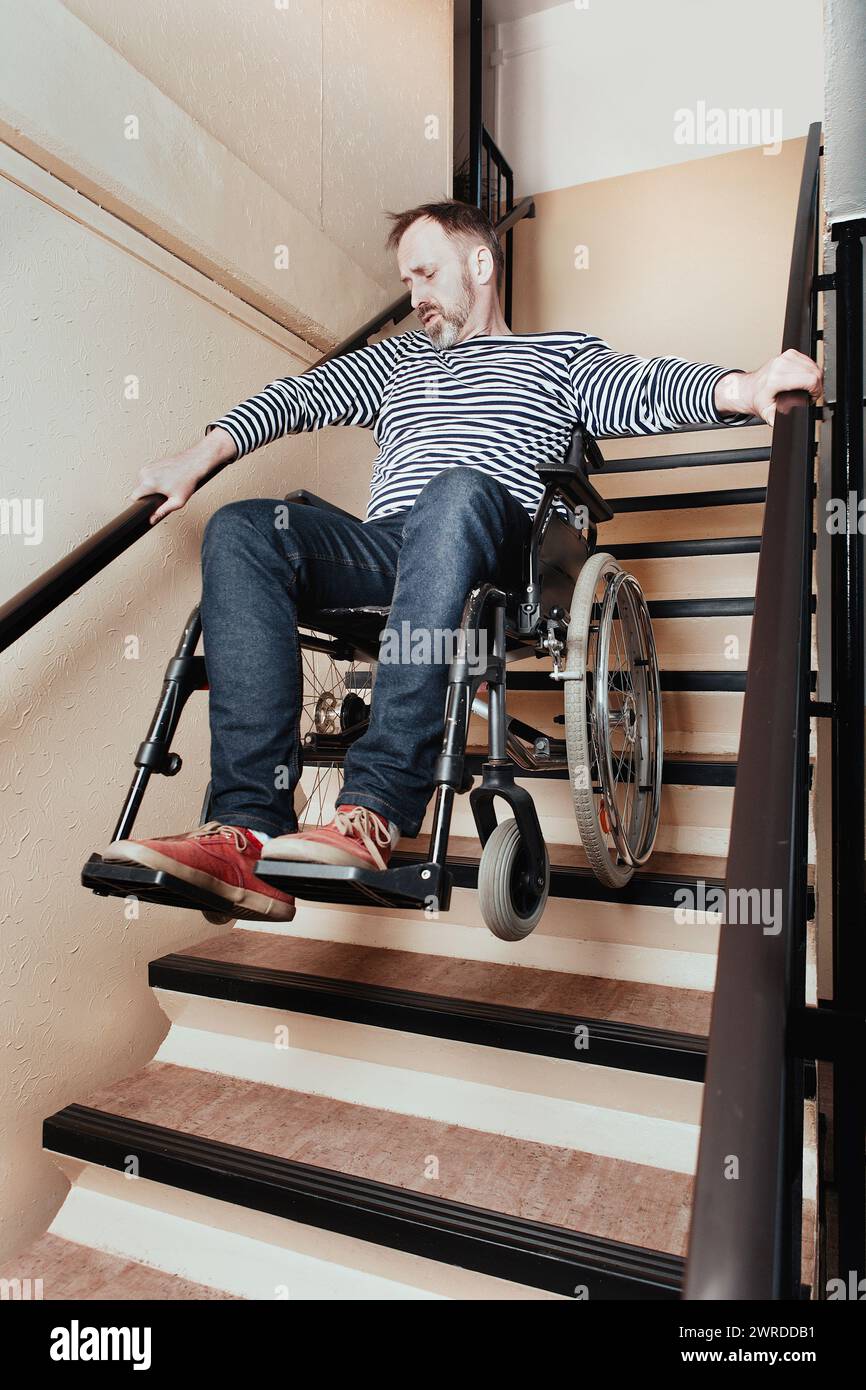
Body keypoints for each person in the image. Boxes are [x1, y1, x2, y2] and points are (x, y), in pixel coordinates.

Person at [103, 199, 823, 923]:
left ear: (480, 263)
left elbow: (644, 387)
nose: (413, 295)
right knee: (243, 529)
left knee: (454, 494)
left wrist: (747, 387)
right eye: (406, 279)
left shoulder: (557, 357)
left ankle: (373, 810)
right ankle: (246, 831)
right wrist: (196, 460)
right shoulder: (394, 362)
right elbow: (300, 396)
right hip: (393, 548)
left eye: (425, 273)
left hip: (495, 553)